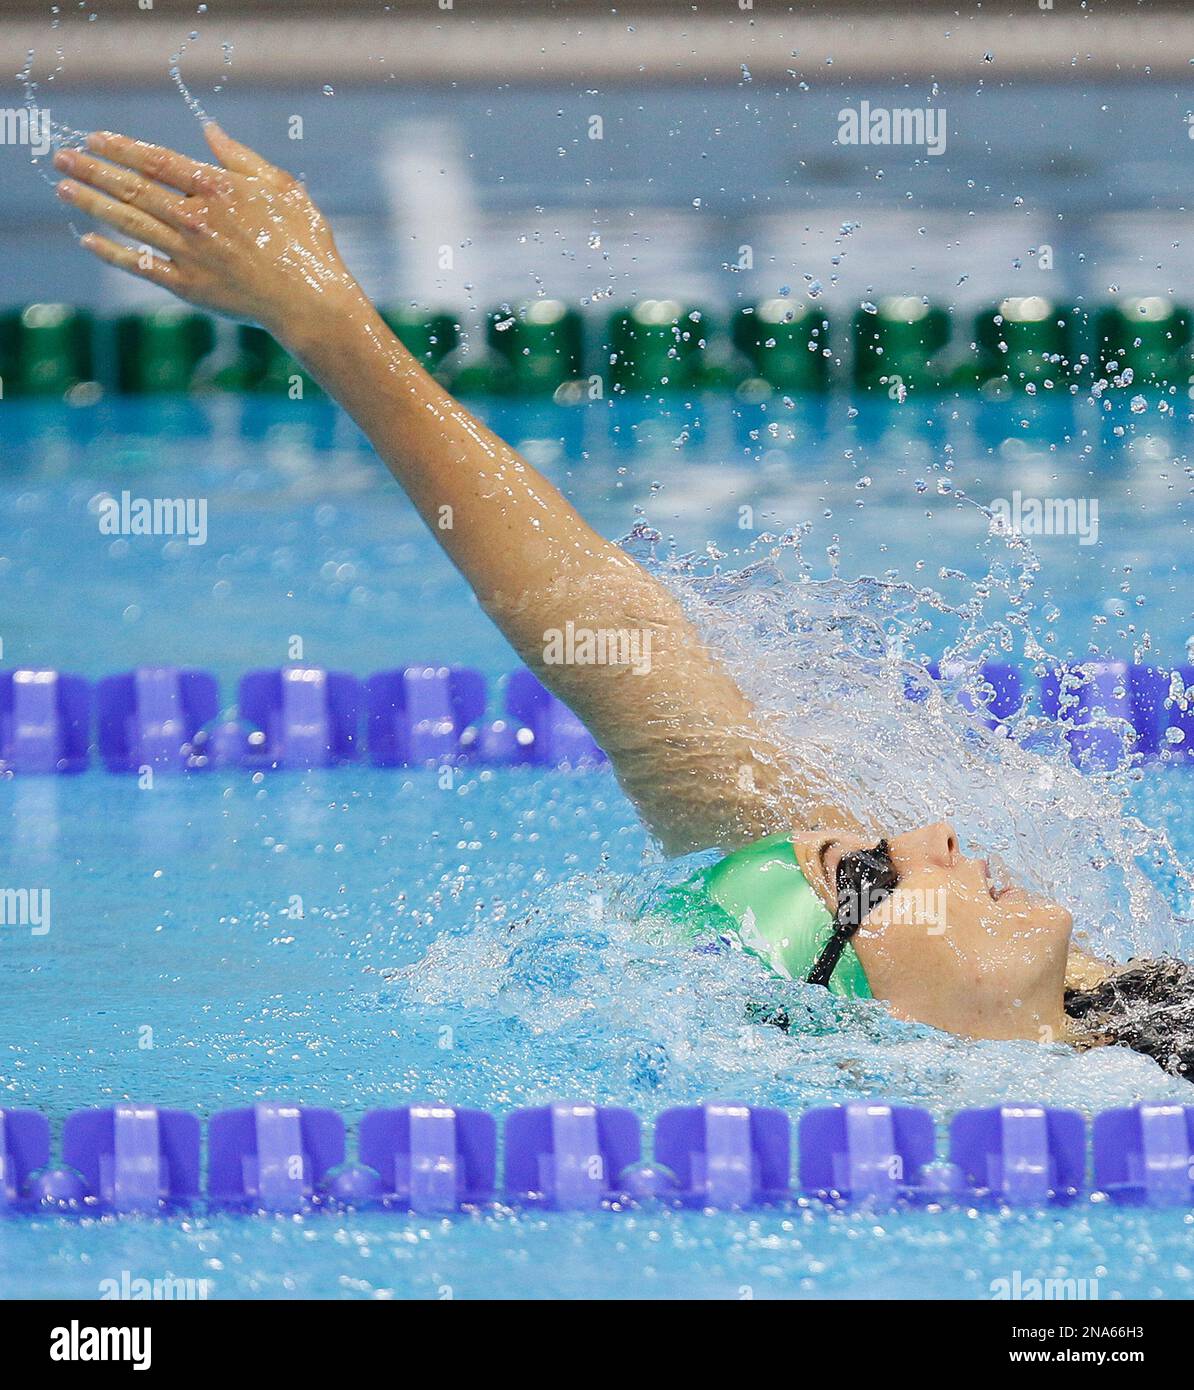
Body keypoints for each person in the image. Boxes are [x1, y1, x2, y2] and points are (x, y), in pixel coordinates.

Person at [51, 125, 1192, 1074]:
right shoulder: (949, 1140)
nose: (939, 832)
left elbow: (622, 648)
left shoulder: (1134, 1017)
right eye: (874, 876)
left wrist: (331, 322)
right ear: (844, 1008)